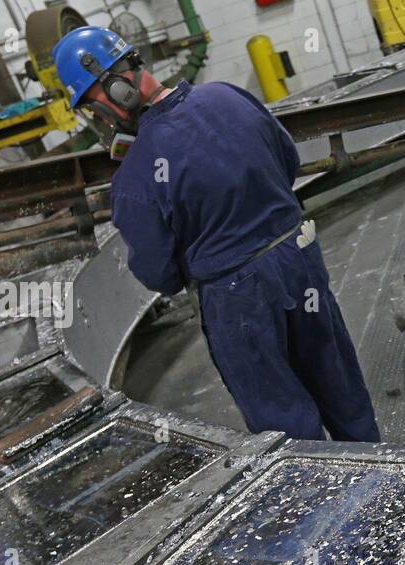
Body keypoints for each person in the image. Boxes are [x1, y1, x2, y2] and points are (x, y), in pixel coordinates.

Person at [51, 25, 380, 442]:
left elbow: (158, 273)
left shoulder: (134, 176)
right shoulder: (228, 96)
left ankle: (322, 495)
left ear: (116, 90)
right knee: (338, 382)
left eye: (92, 104)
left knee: (281, 417)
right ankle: (383, 476)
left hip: (236, 294)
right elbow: (288, 161)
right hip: (299, 255)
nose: (96, 117)